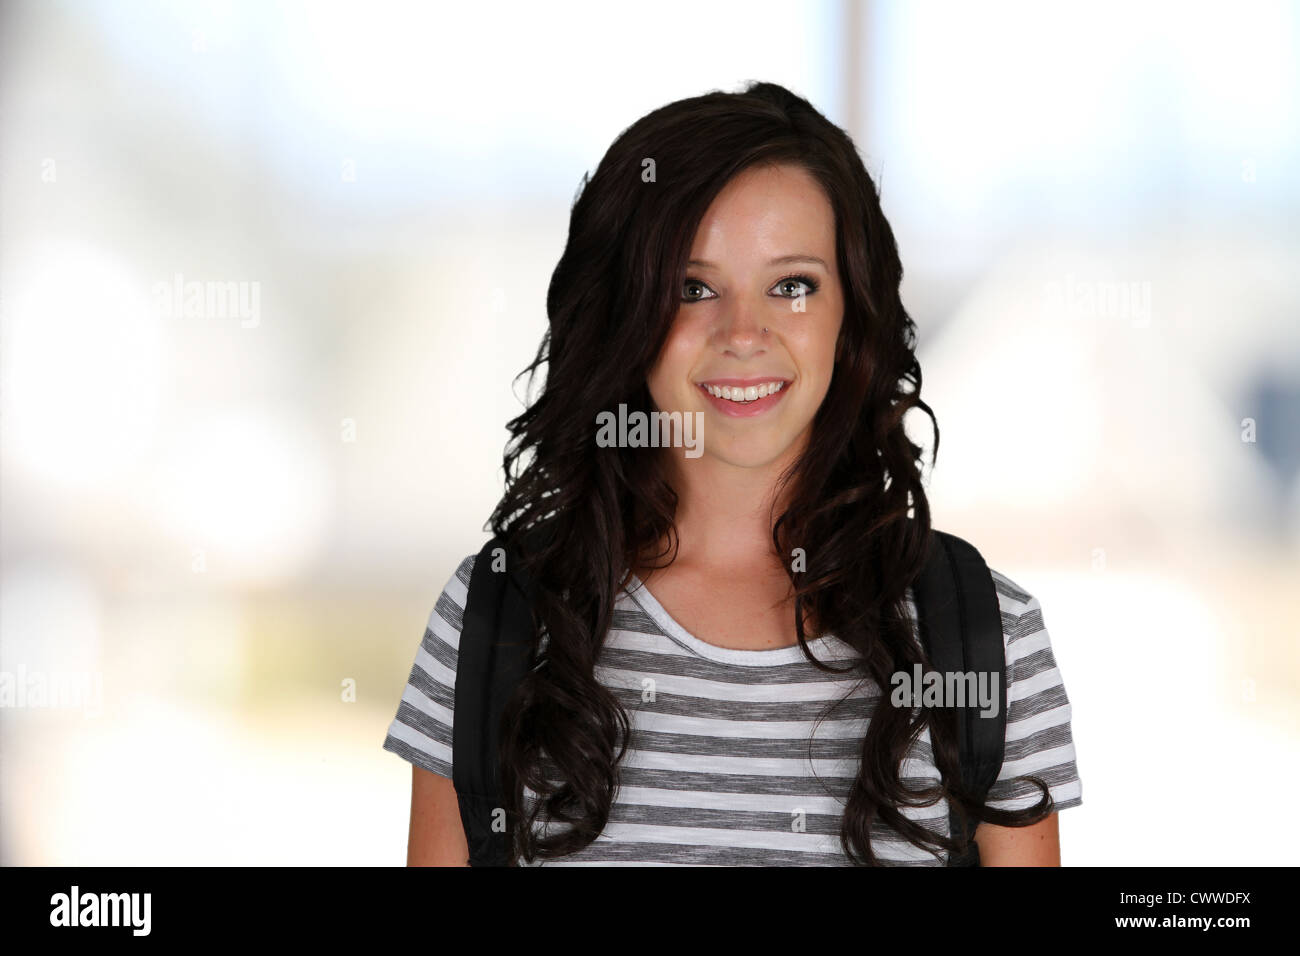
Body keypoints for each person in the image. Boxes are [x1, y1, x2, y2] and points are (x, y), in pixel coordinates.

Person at [384, 81, 1082, 866]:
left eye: (793, 286)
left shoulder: (984, 638)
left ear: (850, 313)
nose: (743, 333)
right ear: (628, 312)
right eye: (694, 288)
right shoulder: (497, 622)